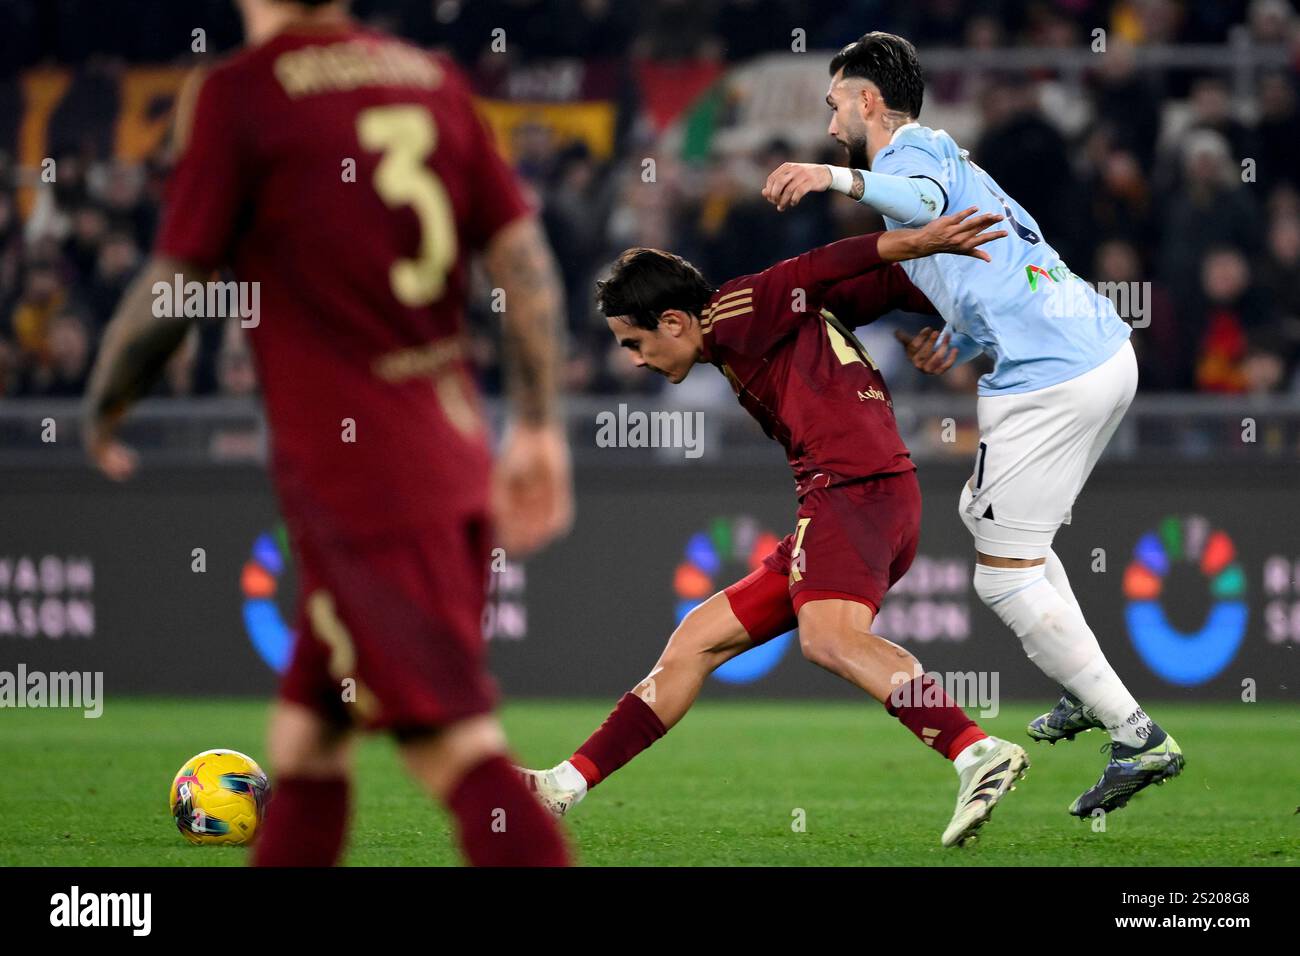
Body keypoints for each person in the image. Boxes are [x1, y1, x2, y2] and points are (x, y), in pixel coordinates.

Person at [81, 0, 572, 866]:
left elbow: (175, 285)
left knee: (456, 751)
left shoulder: (242, 94)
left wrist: (105, 398)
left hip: (364, 490)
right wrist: (535, 425)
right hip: (448, 454)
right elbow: (525, 261)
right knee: (306, 739)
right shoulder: (433, 80)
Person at [760, 31, 1183, 818]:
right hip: (1095, 351)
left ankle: (1135, 735)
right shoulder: (949, 154)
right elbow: (1004, 252)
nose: (829, 125)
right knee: (1005, 538)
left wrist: (827, 177)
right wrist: (963, 331)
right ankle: (1084, 692)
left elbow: (917, 208)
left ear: (867, 101)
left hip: (1054, 376)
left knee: (1001, 575)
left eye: (833, 106)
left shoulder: (903, 165)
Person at [522, 208, 1031, 848]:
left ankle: (974, 749)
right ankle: (566, 783)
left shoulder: (737, 309)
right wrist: (954, 314)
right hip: (861, 496)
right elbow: (874, 284)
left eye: (634, 343)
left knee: (829, 639)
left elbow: (822, 265)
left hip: (854, 490)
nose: (635, 361)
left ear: (675, 322)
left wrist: (916, 241)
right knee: (697, 641)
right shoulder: (762, 327)